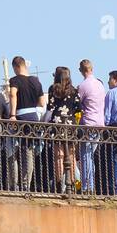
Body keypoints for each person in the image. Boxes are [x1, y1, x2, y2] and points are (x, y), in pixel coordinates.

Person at [9, 57, 47, 191]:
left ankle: (14, 184)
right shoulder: (36, 81)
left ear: (15, 67)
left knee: (13, 150)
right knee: (28, 151)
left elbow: (13, 95)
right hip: (33, 118)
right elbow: (42, 103)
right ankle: (26, 184)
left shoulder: (15, 80)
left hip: (19, 116)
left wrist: (12, 114)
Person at [45, 65, 81, 192]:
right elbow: (78, 107)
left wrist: (44, 122)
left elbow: (50, 108)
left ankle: (62, 185)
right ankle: (71, 184)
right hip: (70, 124)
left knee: (59, 156)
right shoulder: (74, 90)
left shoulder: (53, 89)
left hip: (57, 124)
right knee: (71, 155)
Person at [76, 59, 106, 193]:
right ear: (92, 69)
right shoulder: (100, 85)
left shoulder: (83, 86)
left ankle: (87, 186)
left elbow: (78, 104)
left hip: (88, 123)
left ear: (81, 71)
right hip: (100, 122)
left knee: (85, 156)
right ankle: (90, 185)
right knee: (90, 155)